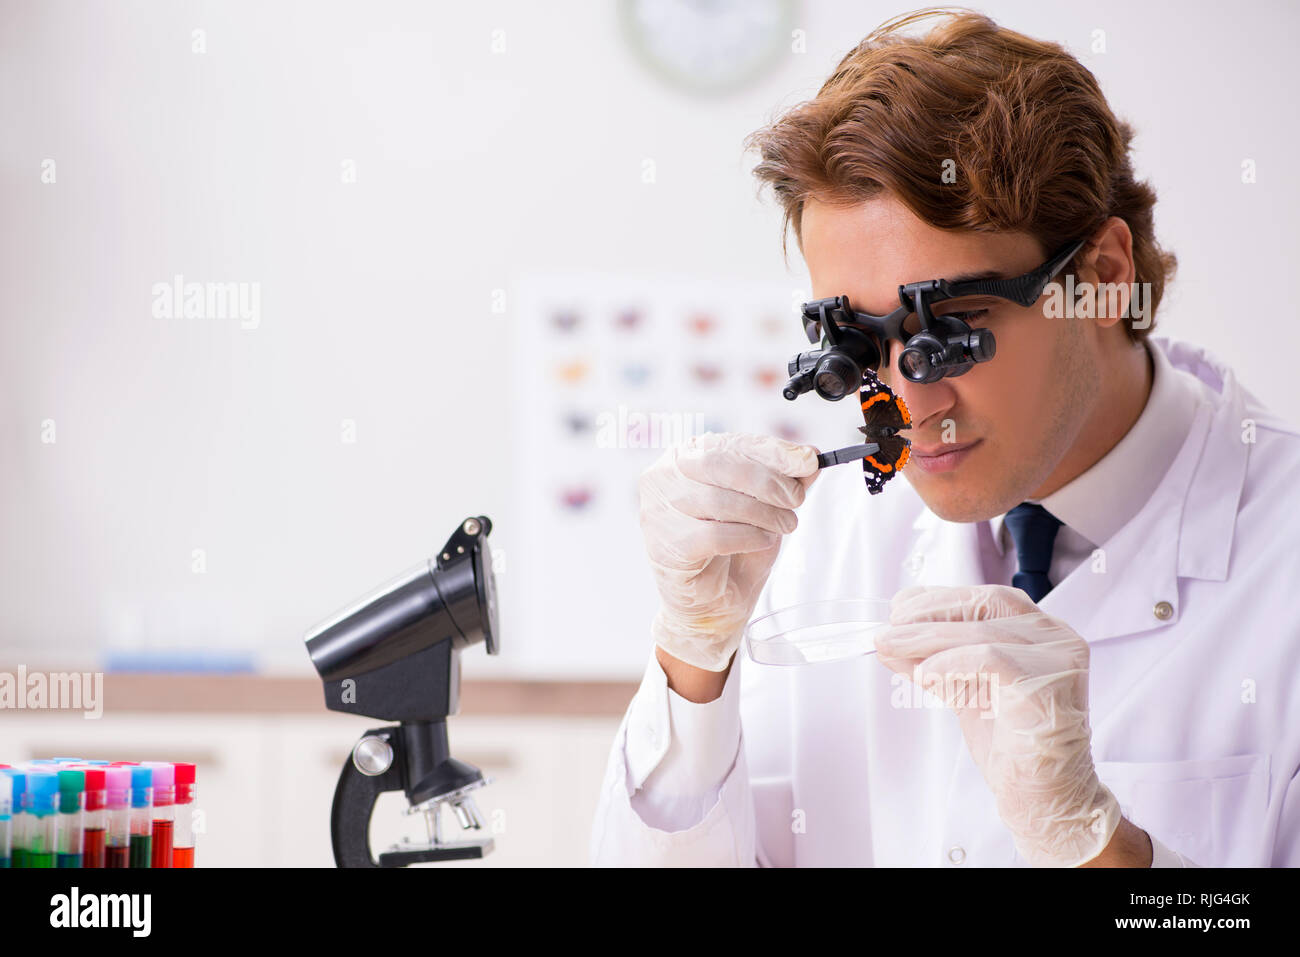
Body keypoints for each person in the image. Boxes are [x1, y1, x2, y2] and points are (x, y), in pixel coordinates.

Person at [588, 9, 1300, 867]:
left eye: (951, 327)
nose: (909, 400)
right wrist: (692, 665)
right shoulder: (817, 541)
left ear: (1104, 280)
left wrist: (1104, 850)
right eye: (857, 342)